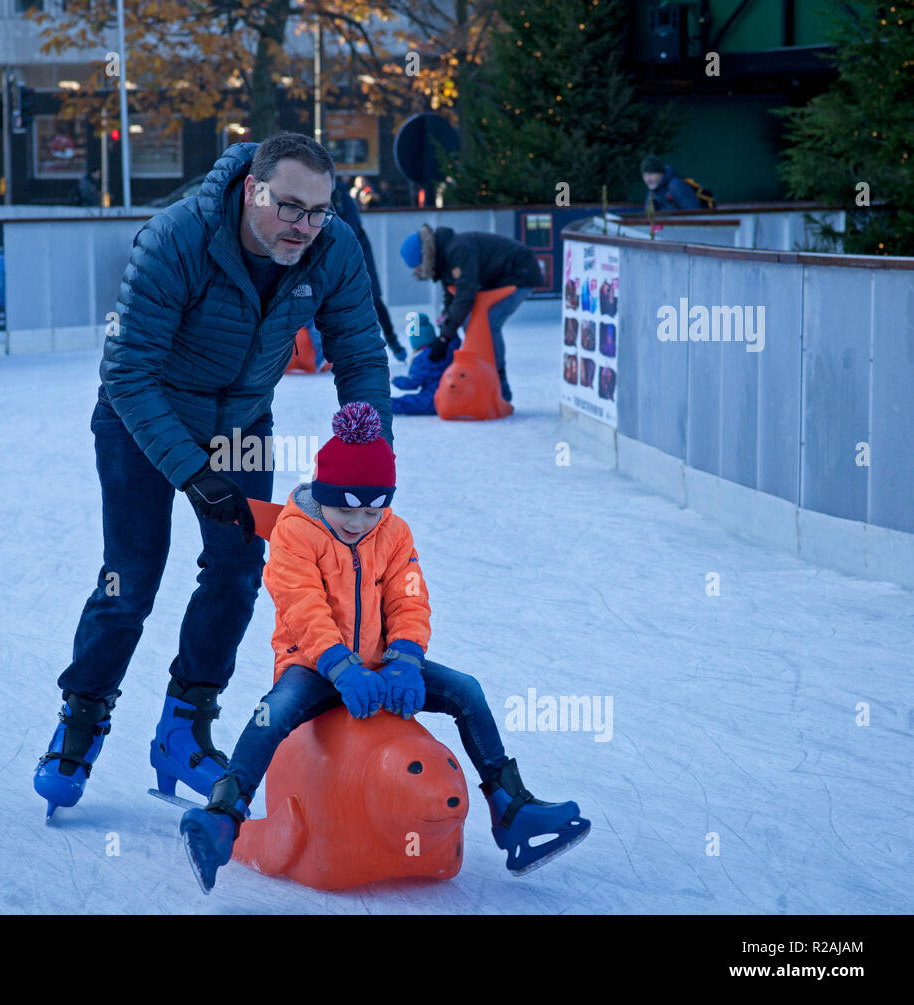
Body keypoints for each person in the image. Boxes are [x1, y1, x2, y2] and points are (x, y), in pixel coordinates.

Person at [33, 132, 393, 819]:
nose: (305, 227)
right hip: (142, 415)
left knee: (237, 570)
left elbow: (360, 357)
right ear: (253, 190)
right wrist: (194, 473)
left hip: (241, 424)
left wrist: (375, 456)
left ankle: (183, 729)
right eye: (290, 207)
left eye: (319, 210)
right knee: (130, 576)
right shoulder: (176, 239)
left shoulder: (332, 247)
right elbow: (128, 373)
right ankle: (81, 719)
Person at [178, 402, 590, 892]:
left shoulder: (393, 533)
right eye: (346, 510)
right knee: (273, 713)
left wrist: (405, 661)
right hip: (311, 665)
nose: (359, 522)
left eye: (372, 510)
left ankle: (511, 809)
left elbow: (410, 597)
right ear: (323, 496)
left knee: (467, 691)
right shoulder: (294, 532)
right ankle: (225, 816)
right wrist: (339, 667)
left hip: (379, 663)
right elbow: (301, 607)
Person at [400, 225, 543, 404]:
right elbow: (451, 294)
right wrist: (445, 322)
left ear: (425, 257)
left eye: (418, 267)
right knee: (471, 321)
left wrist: (445, 338)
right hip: (499, 277)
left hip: (520, 272)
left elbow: (465, 294)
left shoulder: (457, 250)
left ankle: (499, 382)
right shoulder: (443, 257)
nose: (418, 272)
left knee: (488, 323)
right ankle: (480, 375)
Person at [331, 178, 407, 361]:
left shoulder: (338, 192)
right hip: (339, 248)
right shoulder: (327, 190)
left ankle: (392, 341)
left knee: (372, 296)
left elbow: (350, 224)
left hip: (355, 247)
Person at [390, 313, 459, 415]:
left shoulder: (421, 359)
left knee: (405, 402)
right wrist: (445, 327)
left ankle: (380, 406)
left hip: (433, 400)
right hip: (453, 395)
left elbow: (412, 383)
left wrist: (394, 380)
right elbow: (455, 341)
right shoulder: (446, 349)